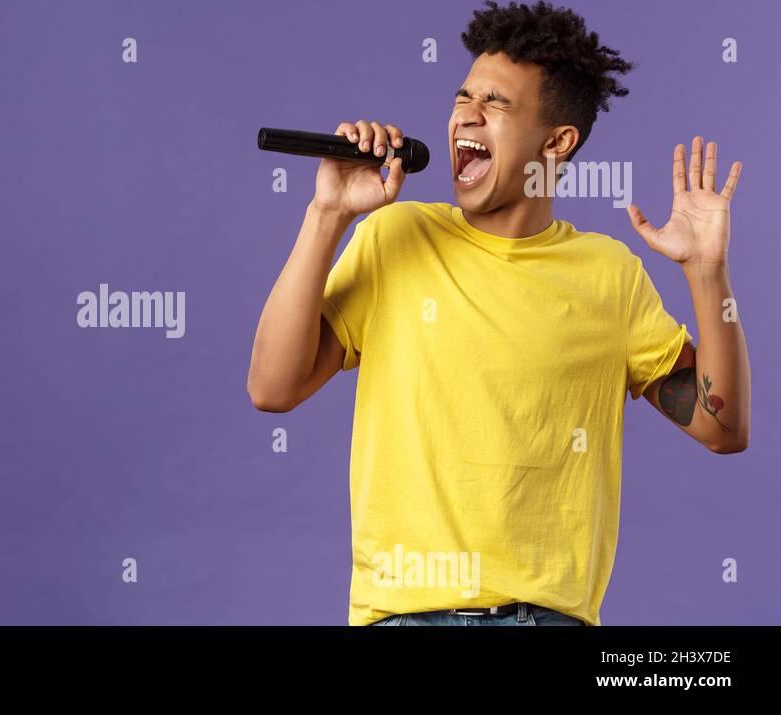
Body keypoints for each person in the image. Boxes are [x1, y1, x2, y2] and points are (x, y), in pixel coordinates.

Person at [246, 0, 750, 626]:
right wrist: (328, 214)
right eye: (463, 97)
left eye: (496, 104)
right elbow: (271, 388)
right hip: (405, 614)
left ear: (557, 141)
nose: (466, 116)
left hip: (547, 618)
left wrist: (706, 272)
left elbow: (723, 430)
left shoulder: (608, 274)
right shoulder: (396, 236)